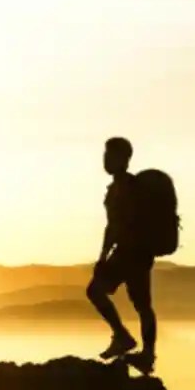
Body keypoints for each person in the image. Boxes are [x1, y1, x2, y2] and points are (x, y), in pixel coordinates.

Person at [86, 136, 157, 371]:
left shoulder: (125, 189)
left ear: (123, 159)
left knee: (97, 291)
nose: (105, 160)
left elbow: (115, 226)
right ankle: (144, 353)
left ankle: (126, 339)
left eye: (110, 155)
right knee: (142, 306)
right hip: (136, 254)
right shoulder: (121, 187)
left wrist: (103, 258)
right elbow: (112, 226)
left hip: (130, 254)